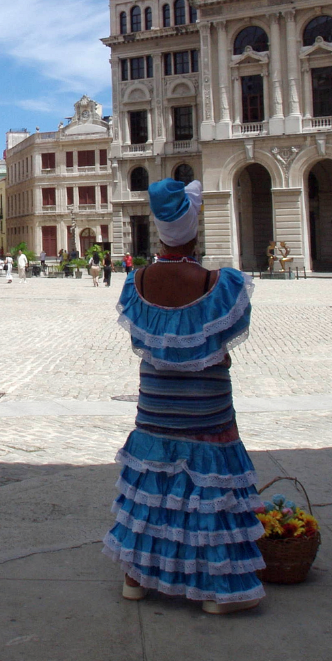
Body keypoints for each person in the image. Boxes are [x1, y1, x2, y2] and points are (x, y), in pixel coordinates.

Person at [104, 178, 265, 615]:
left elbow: (142, 341)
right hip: (206, 407)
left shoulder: (136, 282)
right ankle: (214, 588)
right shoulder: (219, 283)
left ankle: (136, 578)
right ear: (194, 231)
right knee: (207, 492)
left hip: (156, 405)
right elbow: (227, 338)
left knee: (153, 488)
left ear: (160, 232)